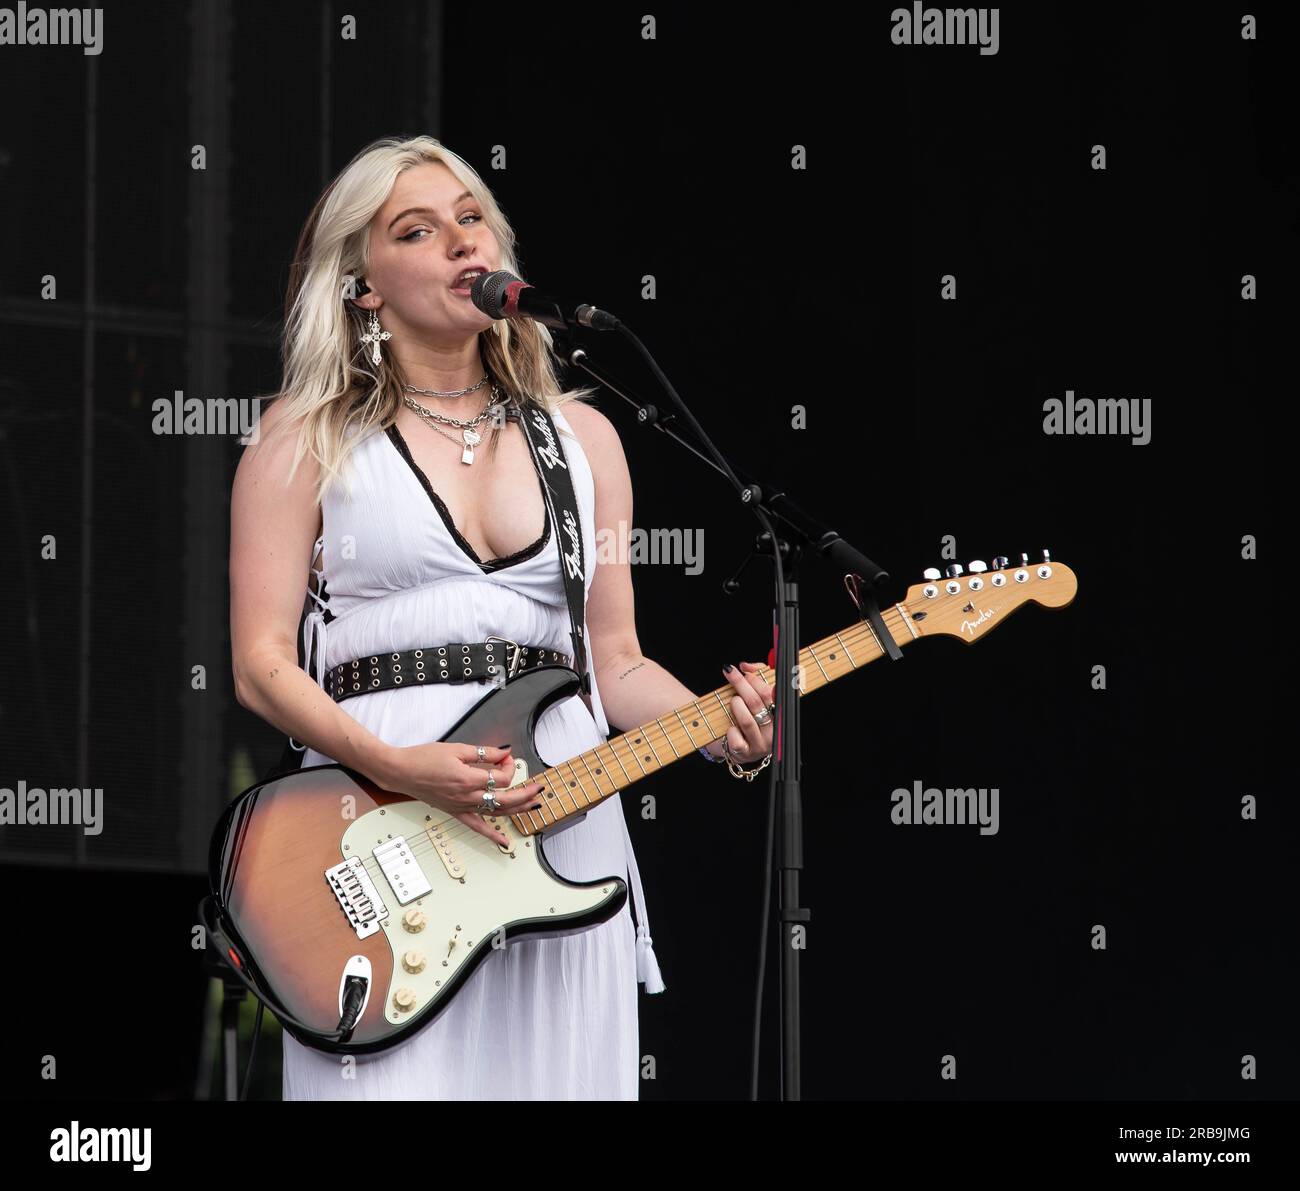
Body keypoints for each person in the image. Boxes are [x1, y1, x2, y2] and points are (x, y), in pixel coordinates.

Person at [228, 135, 775, 1100]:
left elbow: (615, 661)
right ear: (363, 286)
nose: (459, 242)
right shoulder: (304, 436)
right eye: (418, 229)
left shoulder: (585, 441)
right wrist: (397, 765)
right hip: (374, 833)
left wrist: (720, 732)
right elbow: (261, 661)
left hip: (560, 835)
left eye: (471, 217)